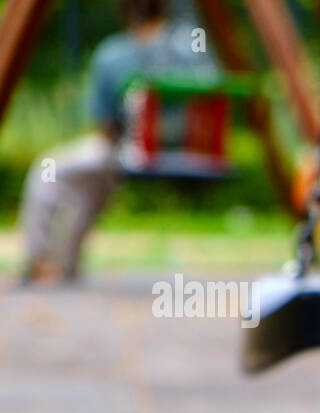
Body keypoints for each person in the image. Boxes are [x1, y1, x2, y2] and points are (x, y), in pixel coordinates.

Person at [19, 0, 215, 283]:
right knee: (88, 190)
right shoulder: (189, 48)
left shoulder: (114, 54)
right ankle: (66, 267)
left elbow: (105, 125)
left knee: (47, 169)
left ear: (126, 12)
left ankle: (38, 260)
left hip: (122, 150)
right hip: (187, 153)